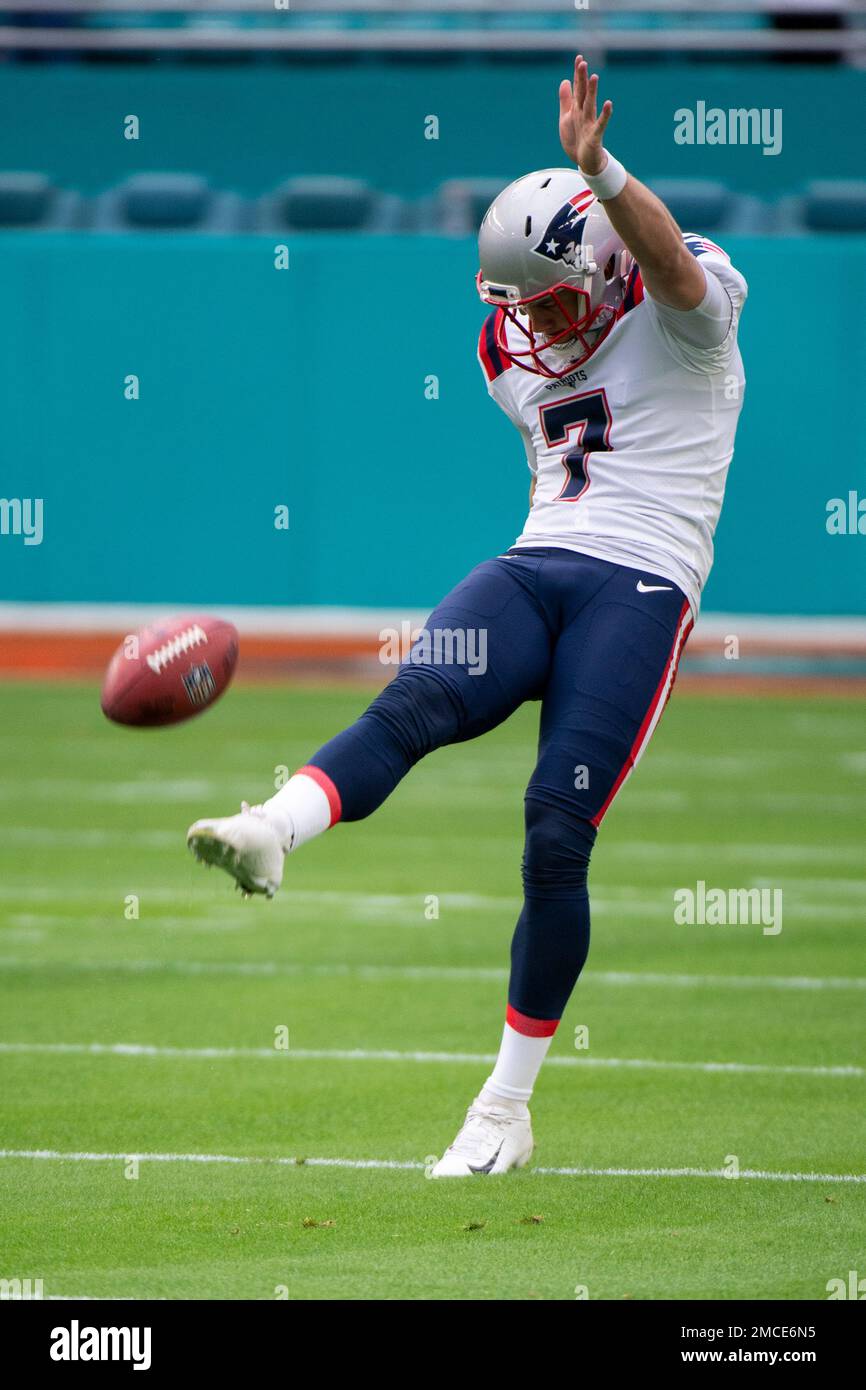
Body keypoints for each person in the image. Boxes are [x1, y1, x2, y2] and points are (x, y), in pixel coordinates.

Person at [187, 56, 747, 1178]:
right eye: (516, 302)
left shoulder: (688, 307)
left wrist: (601, 170)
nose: (530, 323)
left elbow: (673, 271)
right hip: (538, 560)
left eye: (546, 296)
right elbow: (553, 428)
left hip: (640, 586)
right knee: (416, 695)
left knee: (553, 827)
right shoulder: (505, 351)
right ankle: (274, 832)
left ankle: (503, 1107)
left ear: (597, 264)